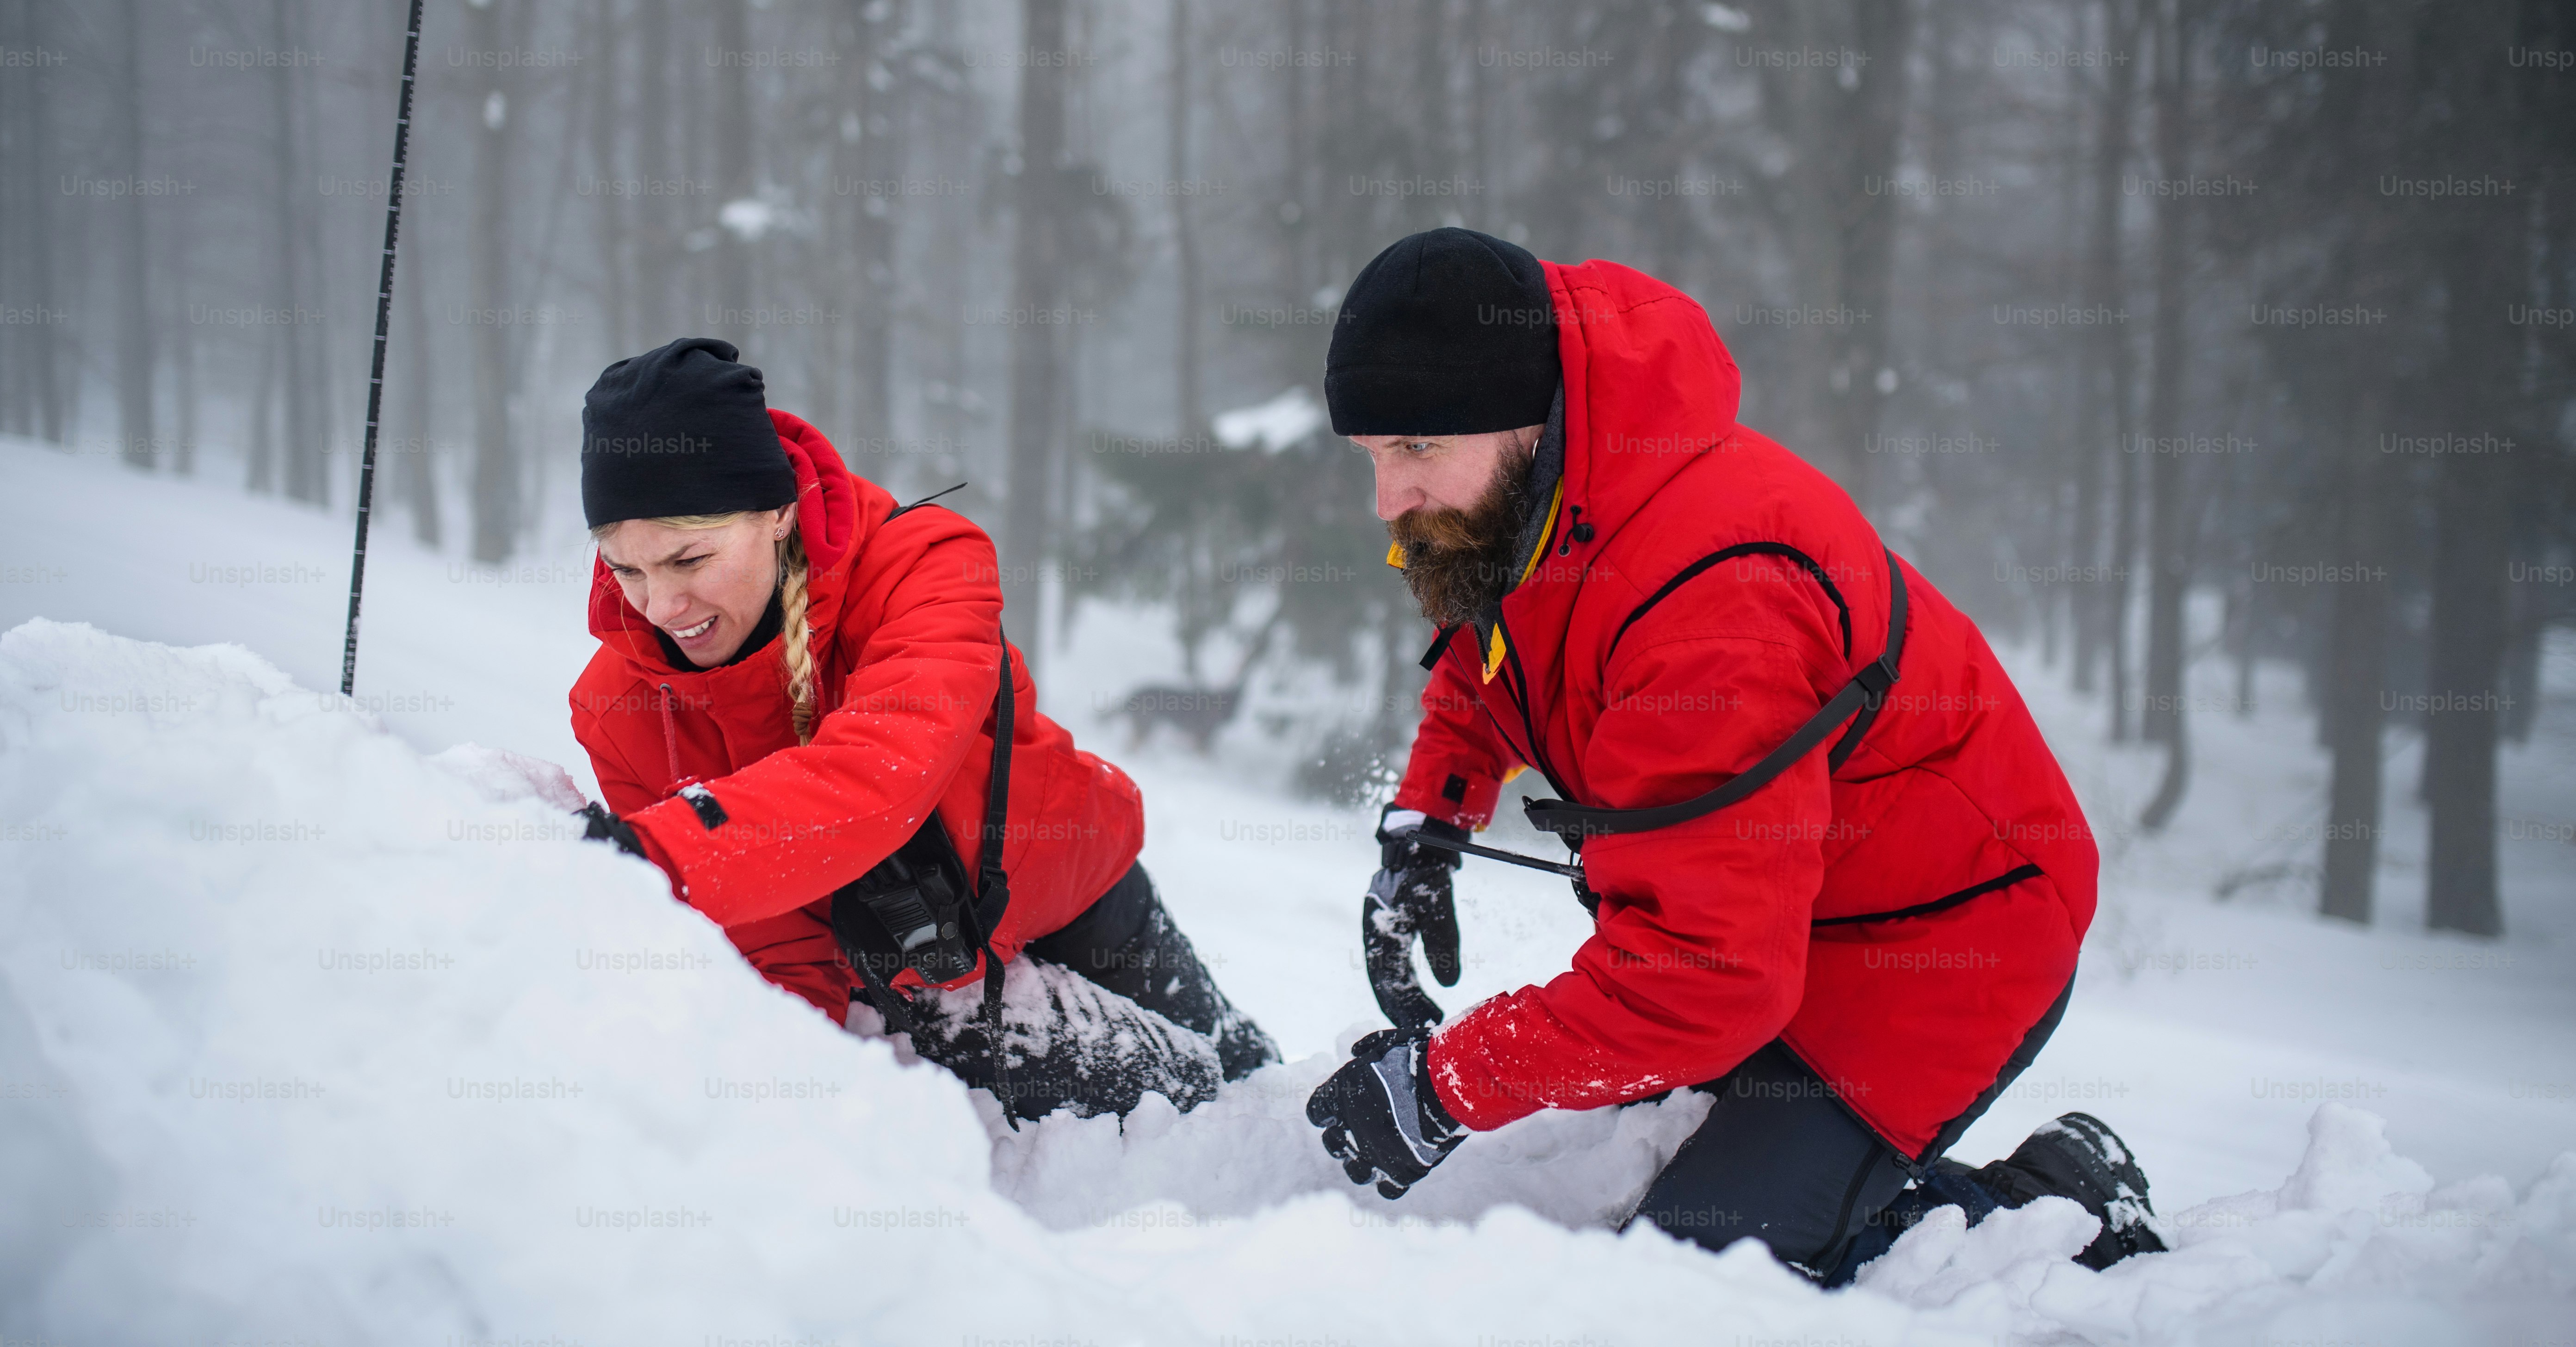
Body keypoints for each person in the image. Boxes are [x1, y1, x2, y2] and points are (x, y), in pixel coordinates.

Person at [1302, 229, 2162, 1282]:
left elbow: (1707, 979)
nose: (1388, 501)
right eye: (1375, 456)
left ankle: (2053, 1210)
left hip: (1950, 925)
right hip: (1777, 908)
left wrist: (1444, 1086)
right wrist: (1430, 817)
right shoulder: (1546, 503)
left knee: (1698, 1268)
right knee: (1638, 1154)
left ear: (1528, 419)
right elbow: (1497, 651)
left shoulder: (1715, 606)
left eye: (1418, 449)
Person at [567, 337, 1274, 1121]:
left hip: (1076, 890)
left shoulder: (925, 565)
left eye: (689, 560)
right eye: (626, 571)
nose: (661, 609)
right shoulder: (618, 709)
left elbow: (884, 768)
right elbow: (776, 946)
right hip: (926, 974)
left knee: (1252, 1093)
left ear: (776, 515)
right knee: (1186, 1111)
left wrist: (661, 852)